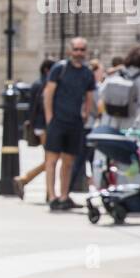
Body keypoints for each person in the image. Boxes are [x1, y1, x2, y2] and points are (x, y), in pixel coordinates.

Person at [42, 37, 96, 211]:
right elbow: (48, 93)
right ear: (70, 51)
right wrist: (50, 117)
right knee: (51, 160)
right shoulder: (60, 68)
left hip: (75, 122)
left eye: (82, 50)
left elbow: (89, 96)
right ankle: (52, 196)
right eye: (76, 49)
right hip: (58, 121)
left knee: (68, 162)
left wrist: (86, 114)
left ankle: (64, 195)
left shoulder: (87, 73)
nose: (79, 53)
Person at [13, 58, 55, 199]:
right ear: (47, 70)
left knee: (50, 159)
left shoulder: (37, 83)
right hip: (45, 125)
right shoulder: (47, 84)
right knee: (51, 160)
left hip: (38, 125)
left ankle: (48, 192)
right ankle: (24, 179)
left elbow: (31, 108)